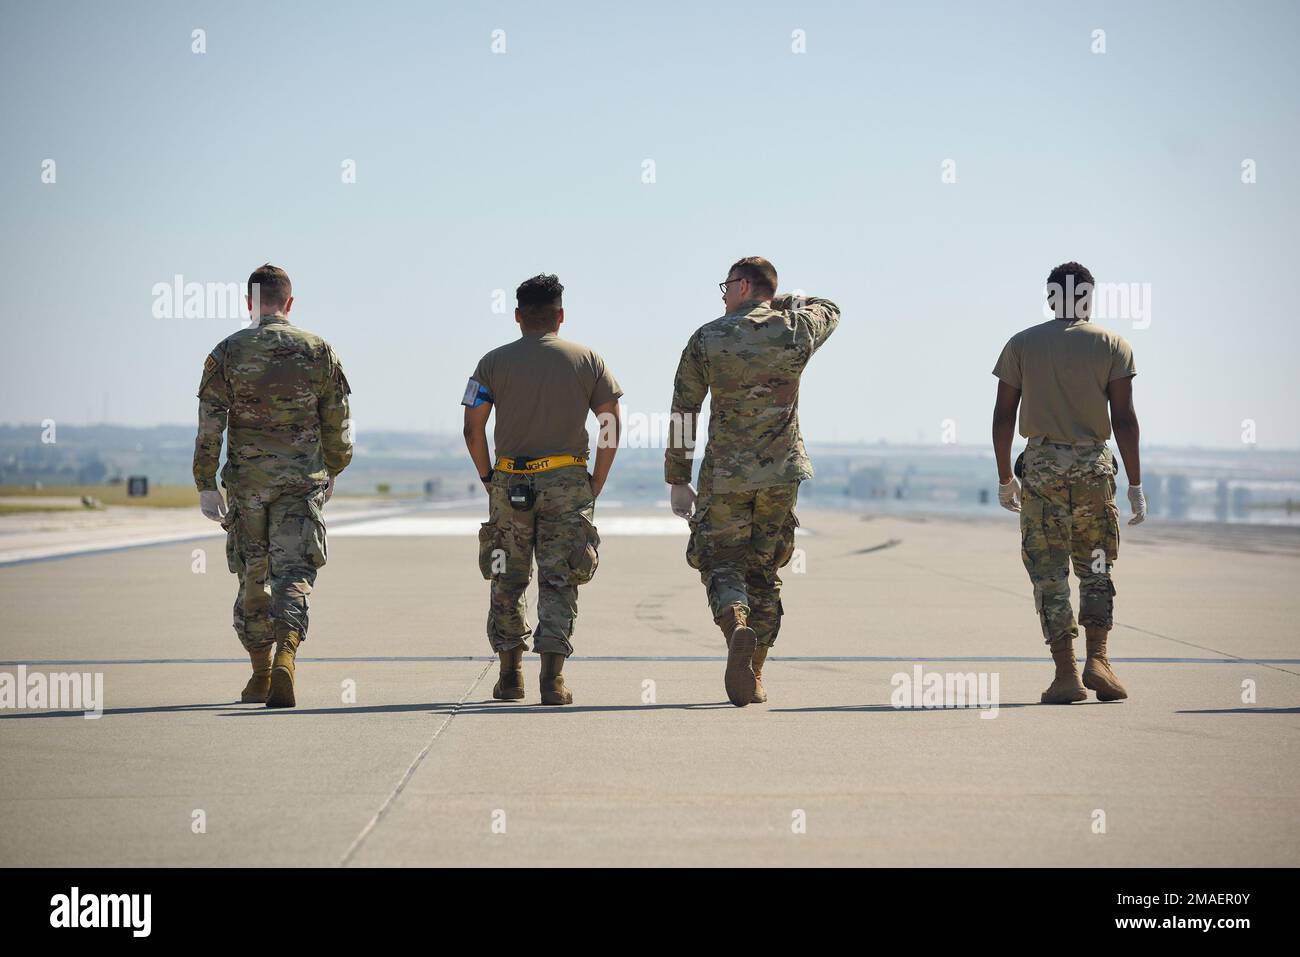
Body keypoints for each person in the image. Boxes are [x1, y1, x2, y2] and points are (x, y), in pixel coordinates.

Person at [666, 256, 839, 707]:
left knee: (721, 562)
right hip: (781, 473)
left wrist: (678, 479)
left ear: (743, 286)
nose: (723, 295)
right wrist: (787, 301)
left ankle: (734, 622)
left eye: (726, 286)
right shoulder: (796, 329)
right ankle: (756, 672)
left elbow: (684, 411)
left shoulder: (707, 338)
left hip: (725, 476)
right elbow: (830, 308)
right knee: (764, 570)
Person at [193, 263, 353, 708]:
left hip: (248, 487)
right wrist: (334, 469)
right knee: (295, 573)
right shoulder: (318, 351)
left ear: (249, 303)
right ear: (289, 303)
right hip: (300, 483)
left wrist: (206, 483)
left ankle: (261, 673)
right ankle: (287, 654)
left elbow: (210, 427)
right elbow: (338, 423)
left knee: (253, 575)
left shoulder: (227, 353)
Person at [463, 274, 622, 705]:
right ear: (561, 315)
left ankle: (510, 676)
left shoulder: (491, 363)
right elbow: (609, 424)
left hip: (509, 480)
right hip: (568, 482)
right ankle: (552, 681)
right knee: (561, 577)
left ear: (517, 316)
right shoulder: (588, 360)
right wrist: (596, 482)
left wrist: (488, 477)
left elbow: (472, 428)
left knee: (504, 578)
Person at [991, 261, 1145, 704]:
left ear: (1050, 297)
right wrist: (1134, 483)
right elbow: (1125, 420)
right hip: (1095, 470)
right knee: (1097, 565)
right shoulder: (1112, 344)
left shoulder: (1022, 344)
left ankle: (1065, 675)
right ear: (1089, 298)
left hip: (1041, 470)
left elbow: (1003, 416)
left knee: (1049, 571)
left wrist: (1005, 477)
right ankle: (1099, 659)